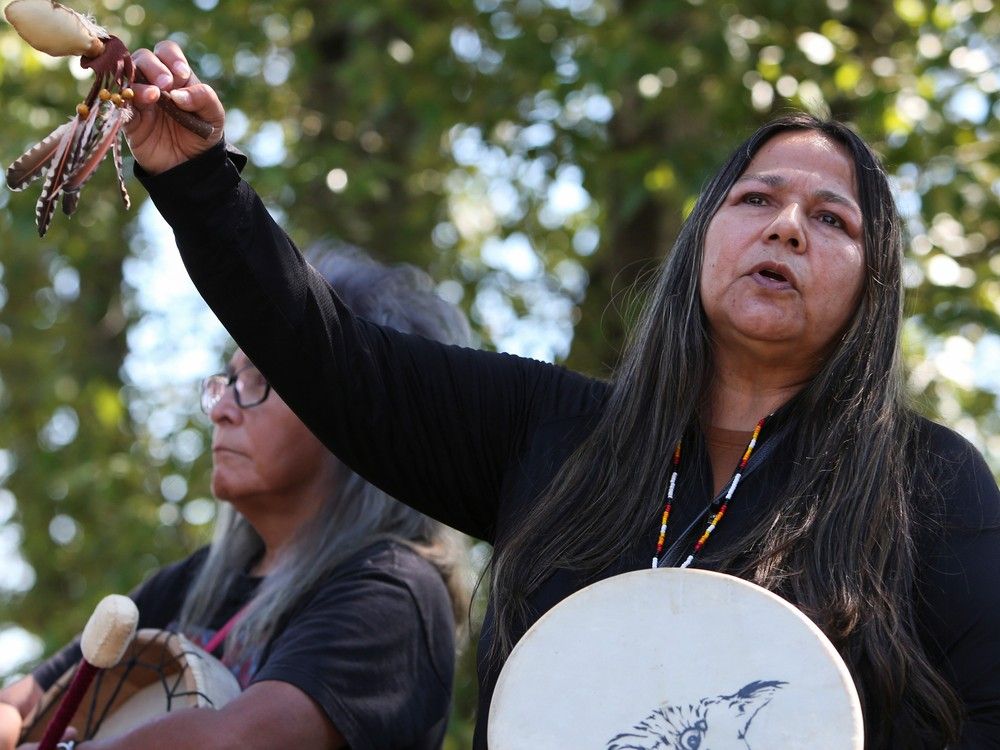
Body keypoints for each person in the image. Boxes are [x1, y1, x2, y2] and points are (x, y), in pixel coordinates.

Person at [120, 41, 1000, 749]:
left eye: (831, 218)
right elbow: (336, 361)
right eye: (756, 197)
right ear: (701, 242)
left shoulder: (931, 482)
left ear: (872, 283)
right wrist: (199, 181)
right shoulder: (552, 432)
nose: (784, 226)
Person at [0, 247, 472, 750]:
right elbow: (21, 704)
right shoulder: (191, 583)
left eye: (261, 380)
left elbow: (231, 743)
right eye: (227, 381)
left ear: (359, 410)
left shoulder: (394, 593)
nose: (221, 408)